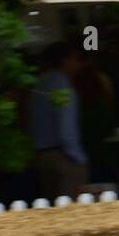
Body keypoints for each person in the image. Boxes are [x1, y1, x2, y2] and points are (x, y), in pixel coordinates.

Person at [30, 42, 88, 199]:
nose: (79, 64)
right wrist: (79, 159)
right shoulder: (63, 88)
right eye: (76, 59)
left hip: (43, 156)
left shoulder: (40, 85)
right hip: (64, 158)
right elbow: (66, 130)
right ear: (65, 61)